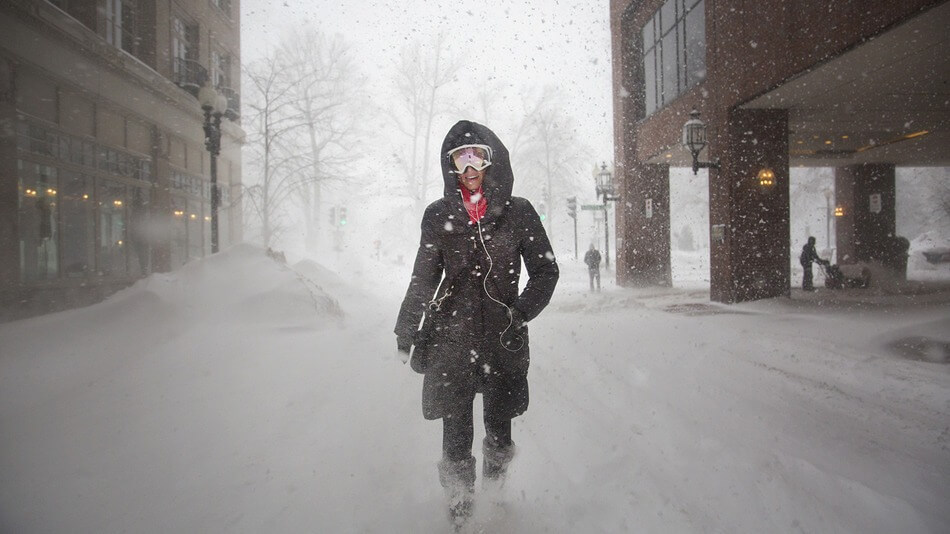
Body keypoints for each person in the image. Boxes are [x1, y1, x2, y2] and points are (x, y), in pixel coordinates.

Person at [394, 120, 559, 528]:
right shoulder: (438, 215)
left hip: (503, 342)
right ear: (450, 165)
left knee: (499, 428)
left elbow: (546, 271)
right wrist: (406, 327)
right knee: (455, 431)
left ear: (491, 160)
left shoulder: (519, 213)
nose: (470, 167)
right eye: (460, 158)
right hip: (453, 341)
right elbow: (423, 277)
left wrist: (520, 312)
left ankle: (496, 495)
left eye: (478, 156)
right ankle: (460, 505)